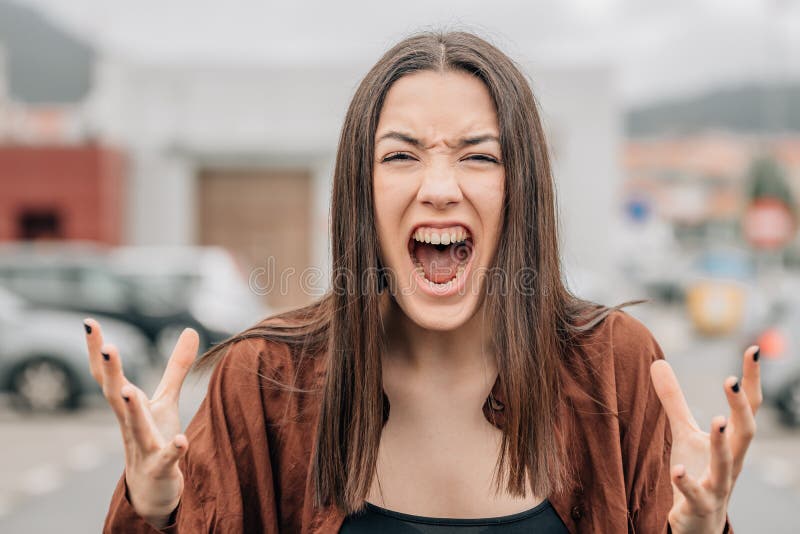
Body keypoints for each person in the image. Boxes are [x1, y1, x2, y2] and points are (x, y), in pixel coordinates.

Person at [86, 31, 760, 533]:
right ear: (361, 191)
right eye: (402, 155)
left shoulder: (616, 367)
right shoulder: (263, 380)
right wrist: (153, 509)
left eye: (479, 155)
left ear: (521, 189)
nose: (440, 188)